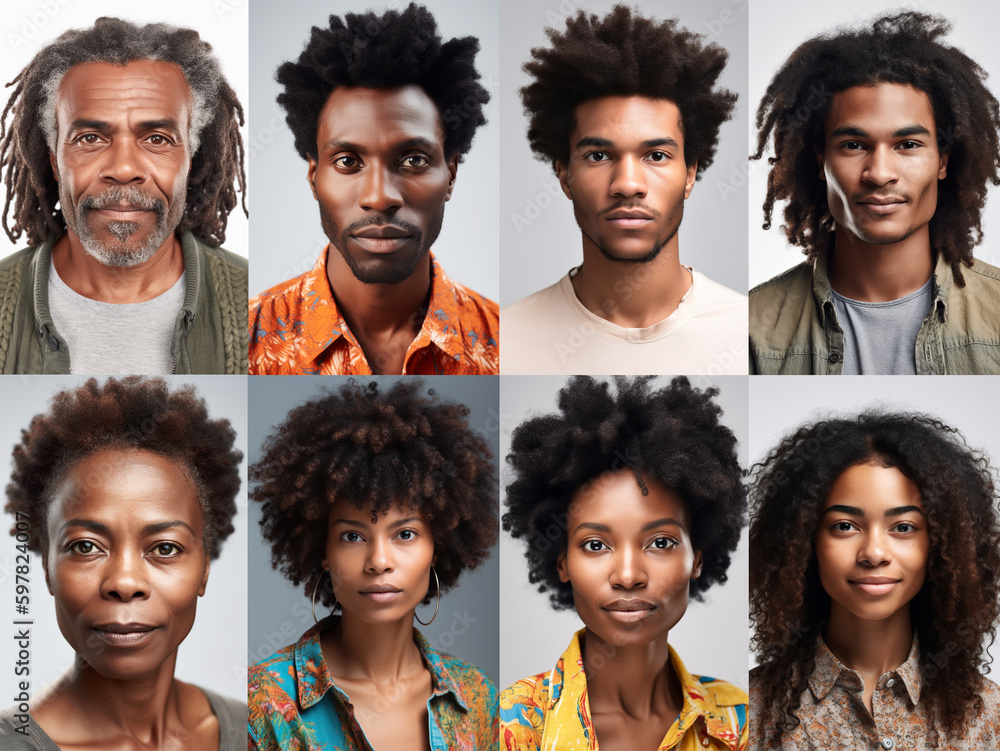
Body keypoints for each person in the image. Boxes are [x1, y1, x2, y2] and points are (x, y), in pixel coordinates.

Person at [249, 4, 498, 375]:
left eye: (413, 160)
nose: (380, 197)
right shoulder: (246, 340)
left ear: (451, 172)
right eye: (348, 161)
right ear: (314, 175)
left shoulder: (503, 343)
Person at [247, 379, 498, 749]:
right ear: (323, 551)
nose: (379, 561)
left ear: (438, 546)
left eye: (405, 534)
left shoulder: (476, 696)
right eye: (352, 536)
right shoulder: (263, 702)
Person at [500, 376, 748, 750]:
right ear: (562, 562)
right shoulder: (510, 724)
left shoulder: (742, 722)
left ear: (697, 557)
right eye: (596, 544)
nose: (628, 576)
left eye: (661, 542)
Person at [0, 377, 245, 750]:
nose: (125, 581)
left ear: (205, 567)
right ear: (47, 563)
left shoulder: (258, 730)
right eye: (85, 546)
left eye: (164, 548)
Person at [749, 11, 1000, 375]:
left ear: (943, 160)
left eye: (908, 144)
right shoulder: (752, 330)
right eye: (853, 145)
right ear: (821, 161)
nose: (880, 174)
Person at [501, 6, 747, 375]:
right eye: (598, 155)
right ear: (565, 175)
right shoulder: (503, 341)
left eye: (657, 155)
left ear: (690, 173)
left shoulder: (751, 335)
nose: (627, 184)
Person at [0, 17, 249, 375]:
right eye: (90, 138)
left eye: (157, 139)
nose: (123, 168)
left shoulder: (259, 307)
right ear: (54, 162)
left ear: (190, 162)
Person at [749, 411, 1000, 749]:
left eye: (903, 527)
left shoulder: (988, 716)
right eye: (844, 526)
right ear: (805, 541)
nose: (874, 552)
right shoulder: (749, 711)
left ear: (941, 543)